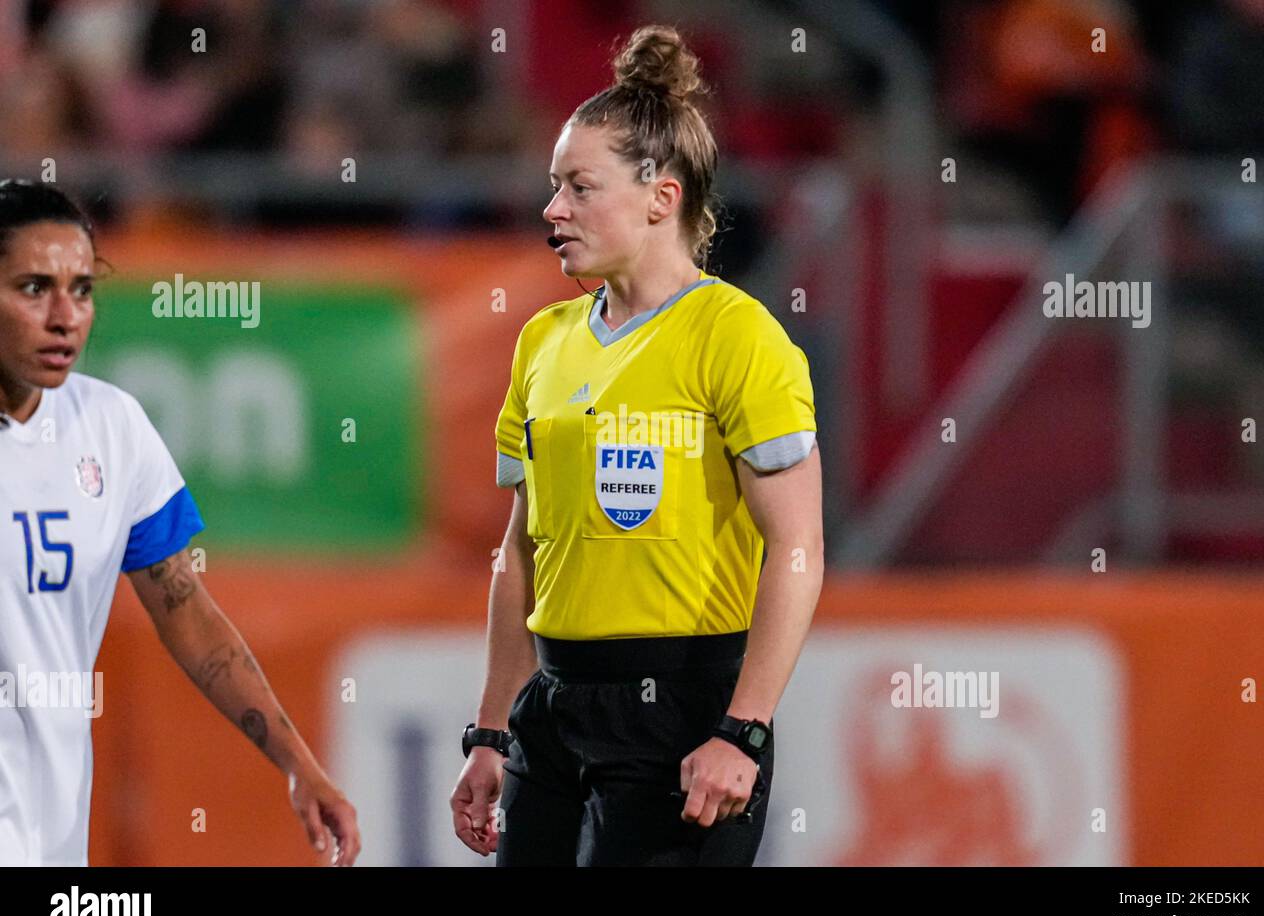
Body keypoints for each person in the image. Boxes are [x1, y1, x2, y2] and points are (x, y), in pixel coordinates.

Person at [449, 26, 823, 866]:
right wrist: (492, 730)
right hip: (553, 716)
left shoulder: (737, 336)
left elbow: (798, 547)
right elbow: (522, 551)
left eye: (580, 187)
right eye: (555, 187)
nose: (554, 211)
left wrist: (745, 730)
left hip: (686, 716)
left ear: (662, 196)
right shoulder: (542, 343)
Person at [0, 179, 360, 866]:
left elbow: (186, 610)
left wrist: (296, 764)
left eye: (81, 289)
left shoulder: (110, 427)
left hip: (53, 841)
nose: (63, 315)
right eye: (32, 287)